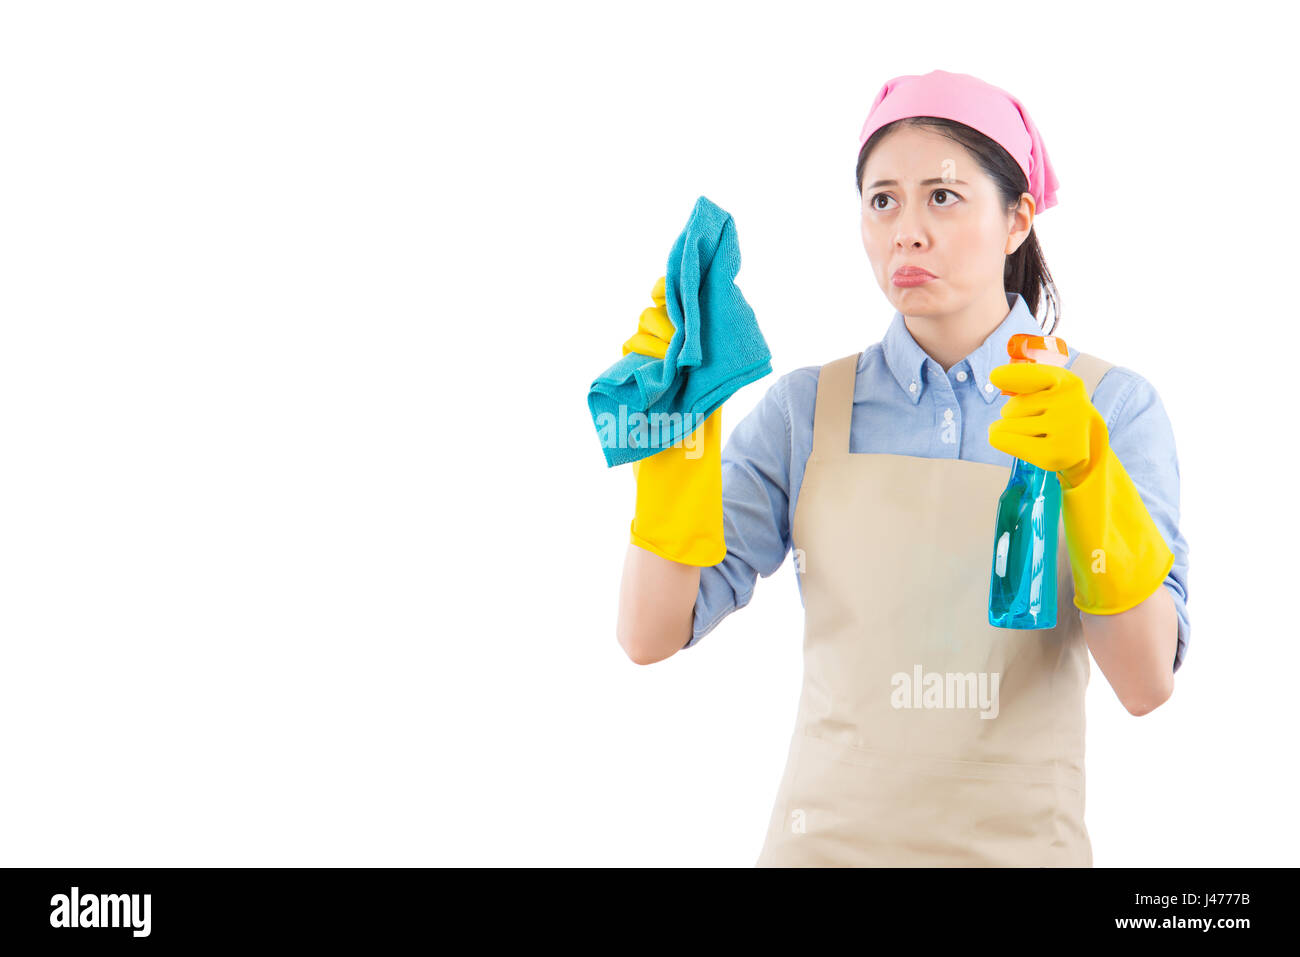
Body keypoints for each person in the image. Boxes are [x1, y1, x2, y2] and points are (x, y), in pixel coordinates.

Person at [614, 70, 1190, 867]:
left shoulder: (1111, 409)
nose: (905, 231)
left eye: (943, 197)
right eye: (882, 199)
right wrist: (678, 440)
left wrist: (1089, 477)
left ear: (1018, 217)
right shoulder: (805, 411)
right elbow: (650, 633)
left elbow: (1146, 683)